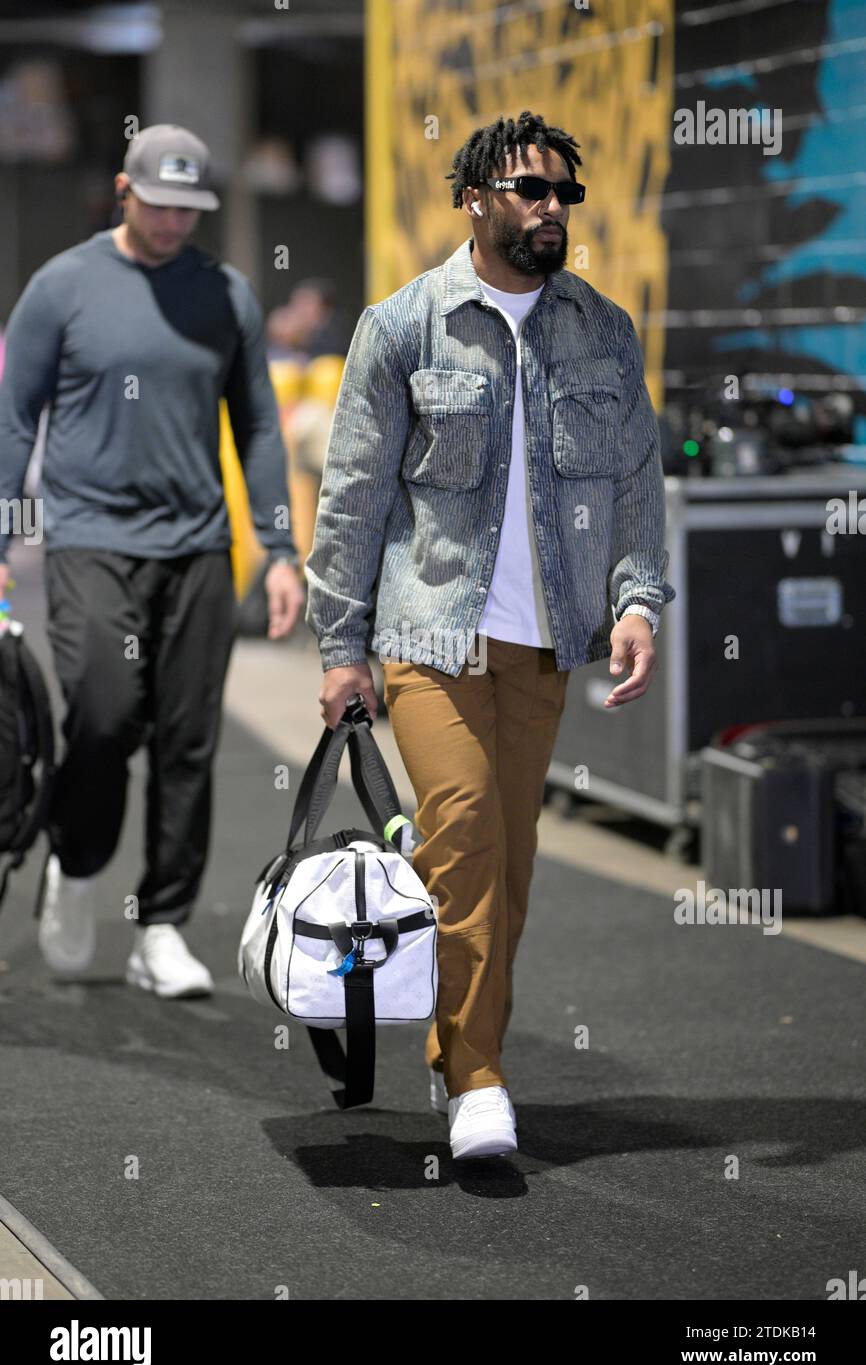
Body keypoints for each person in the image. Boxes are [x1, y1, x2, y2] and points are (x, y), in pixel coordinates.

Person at [304, 110, 676, 1161]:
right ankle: (477, 1078)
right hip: (430, 635)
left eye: (563, 193)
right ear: (475, 197)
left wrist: (638, 598)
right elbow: (351, 498)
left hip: (543, 646)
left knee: (505, 870)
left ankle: (448, 1041)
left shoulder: (602, 331)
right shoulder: (405, 326)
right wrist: (340, 648)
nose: (549, 207)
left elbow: (635, 484)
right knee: (460, 831)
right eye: (527, 189)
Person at [0, 123, 305, 997]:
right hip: (91, 537)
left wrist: (280, 549)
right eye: (161, 204)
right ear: (125, 190)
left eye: (190, 208)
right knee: (102, 713)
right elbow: (15, 423)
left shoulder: (226, 293)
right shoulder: (63, 286)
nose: (175, 223)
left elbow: (256, 426)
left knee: (188, 739)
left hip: (199, 547)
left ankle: (162, 926)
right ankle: (78, 858)